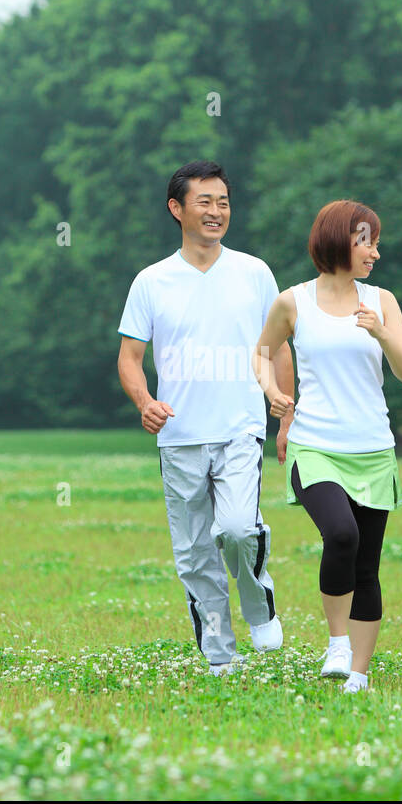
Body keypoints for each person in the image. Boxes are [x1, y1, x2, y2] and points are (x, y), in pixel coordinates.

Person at [117, 161, 295, 676]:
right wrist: (145, 402)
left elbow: (278, 345)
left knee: (239, 529)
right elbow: (130, 358)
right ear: (177, 209)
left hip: (240, 426)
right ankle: (221, 657)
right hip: (179, 437)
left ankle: (260, 606)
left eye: (223, 202)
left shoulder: (254, 272)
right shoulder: (152, 281)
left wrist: (284, 413)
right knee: (195, 554)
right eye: (204, 202)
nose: (216, 211)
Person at [252, 200, 402, 693]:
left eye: (375, 241)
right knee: (341, 535)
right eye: (365, 240)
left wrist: (381, 331)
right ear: (337, 240)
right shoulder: (292, 301)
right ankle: (337, 641)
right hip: (315, 446)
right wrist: (274, 392)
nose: (375, 252)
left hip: (372, 448)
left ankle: (359, 675)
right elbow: (261, 353)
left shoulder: (382, 301)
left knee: (367, 564)